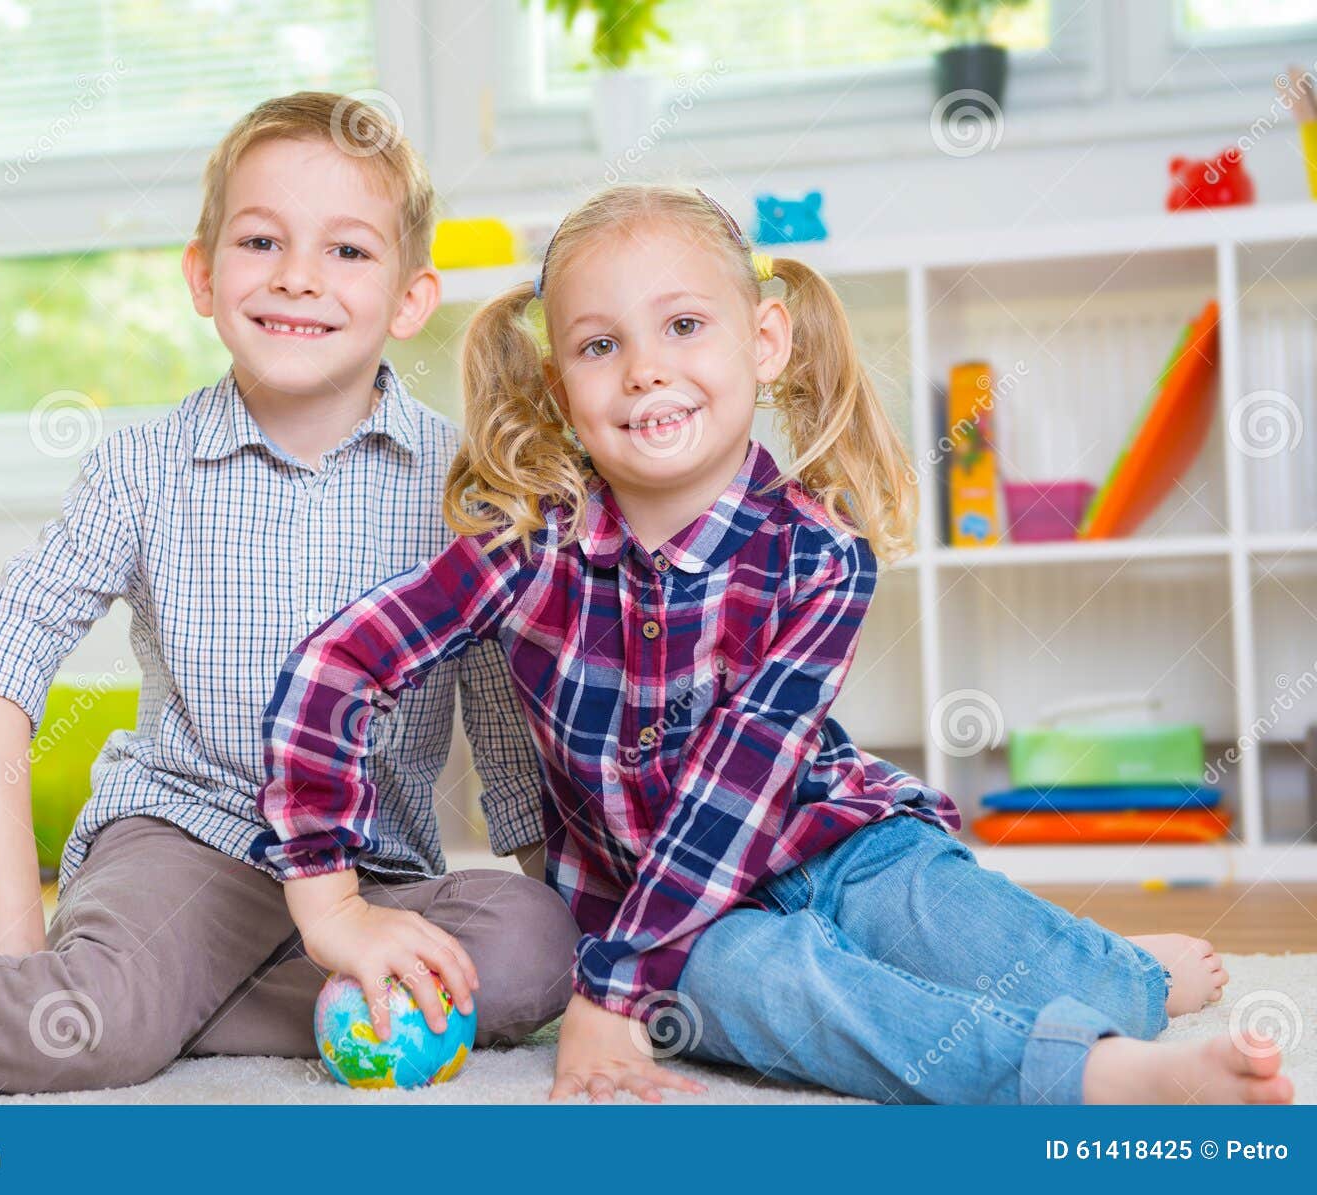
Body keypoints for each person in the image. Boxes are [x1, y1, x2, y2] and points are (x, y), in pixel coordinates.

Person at [250, 183, 1290, 1106]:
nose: (646, 371)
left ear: (766, 341)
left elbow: (736, 788)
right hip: (664, 914)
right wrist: (329, 896)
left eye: (685, 325)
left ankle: (1124, 979)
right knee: (788, 991)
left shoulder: (821, 555)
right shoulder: (528, 543)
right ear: (560, 382)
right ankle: (1093, 1077)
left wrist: (608, 992)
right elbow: (337, 668)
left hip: (842, 842)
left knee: (1008, 947)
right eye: (600, 346)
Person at [0, 92, 577, 1106]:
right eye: (262, 240)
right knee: (88, 1024)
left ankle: (165, 1007)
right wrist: (8, 928)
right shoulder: (140, 469)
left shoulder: (467, 487)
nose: (299, 274)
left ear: (410, 298)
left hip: (371, 872)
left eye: (347, 251)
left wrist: (577, 940)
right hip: (182, 849)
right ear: (202, 277)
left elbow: (511, 738)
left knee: (533, 948)